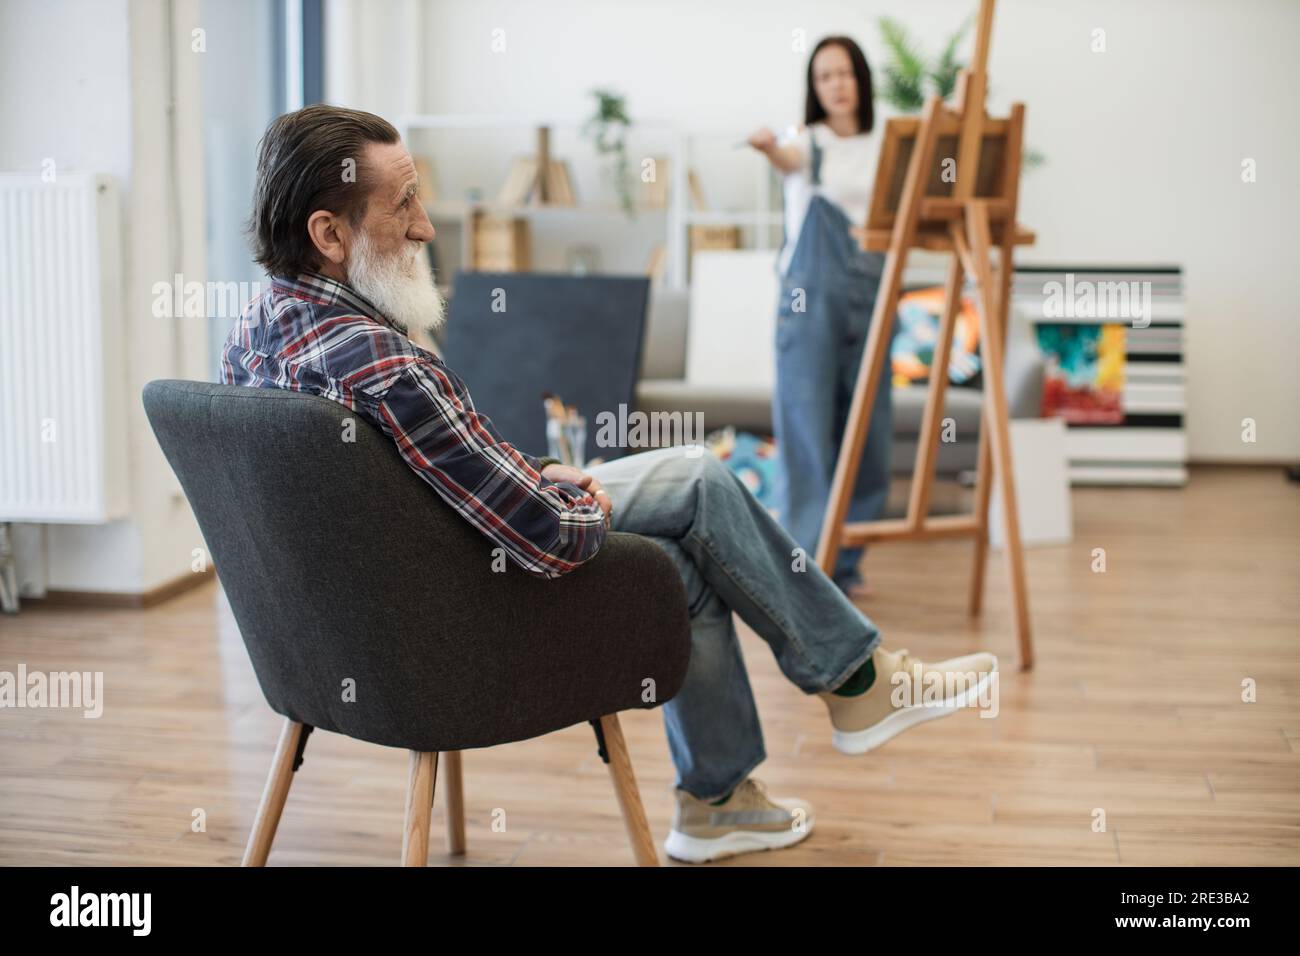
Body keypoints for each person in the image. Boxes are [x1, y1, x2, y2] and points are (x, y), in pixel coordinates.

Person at [223, 104, 997, 864]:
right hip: (452, 632)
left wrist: (534, 473)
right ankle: (837, 699)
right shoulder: (384, 362)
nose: (425, 227)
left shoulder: (255, 334)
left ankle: (743, 784)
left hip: (340, 641)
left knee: (693, 499)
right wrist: (575, 503)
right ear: (329, 234)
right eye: (405, 204)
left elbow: (413, 479)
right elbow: (545, 537)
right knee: (694, 497)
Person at [749, 35, 892, 598]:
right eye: (824, 76)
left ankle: (847, 564)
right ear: (814, 87)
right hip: (809, 302)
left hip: (873, 297)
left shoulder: (886, 144)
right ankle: (806, 569)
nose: (836, 84)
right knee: (807, 431)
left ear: (861, 79)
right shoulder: (805, 141)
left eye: (845, 73)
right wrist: (767, 148)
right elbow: (788, 159)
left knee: (867, 432)